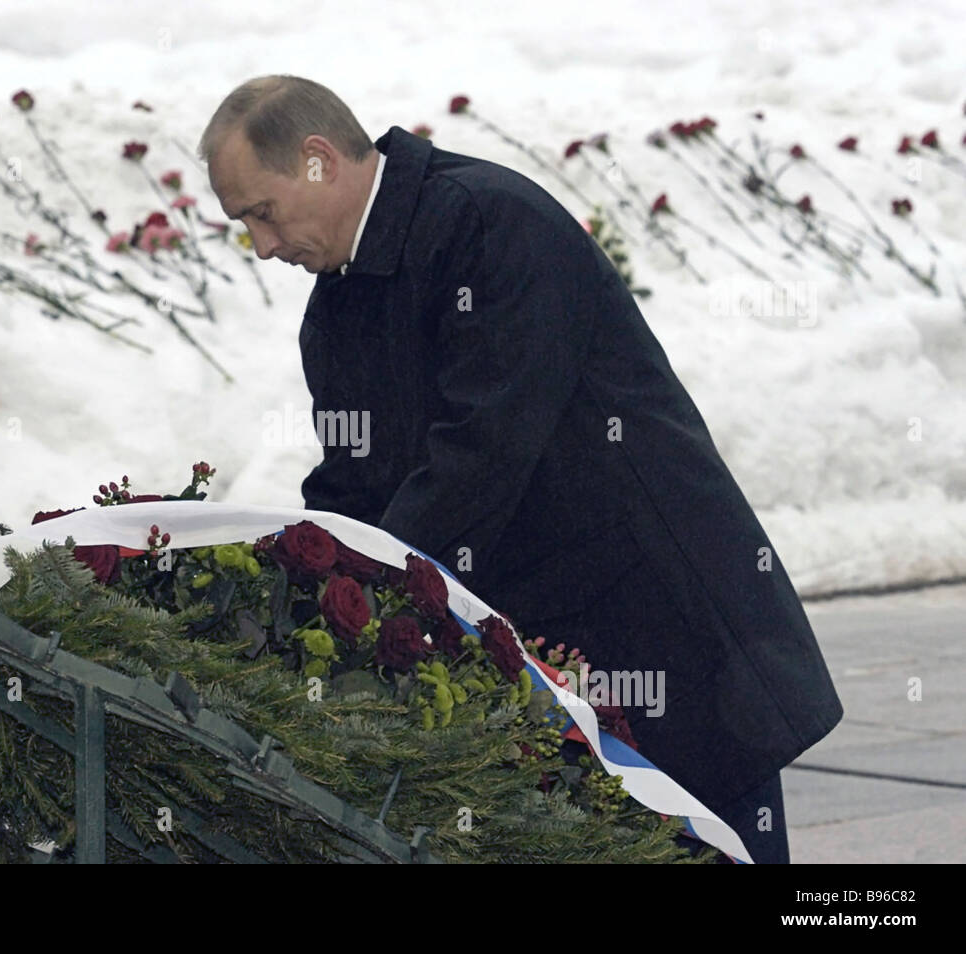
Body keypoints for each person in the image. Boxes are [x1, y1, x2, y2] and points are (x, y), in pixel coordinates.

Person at [199, 74, 842, 863]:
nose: (263, 246)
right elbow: (350, 484)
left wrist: (369, 583)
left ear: (317, 160)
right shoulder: (337, 305)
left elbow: (485, 447)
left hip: (658, 632)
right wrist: (299, 597)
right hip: (547, 653)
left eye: (260, 214)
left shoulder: (486, 222)